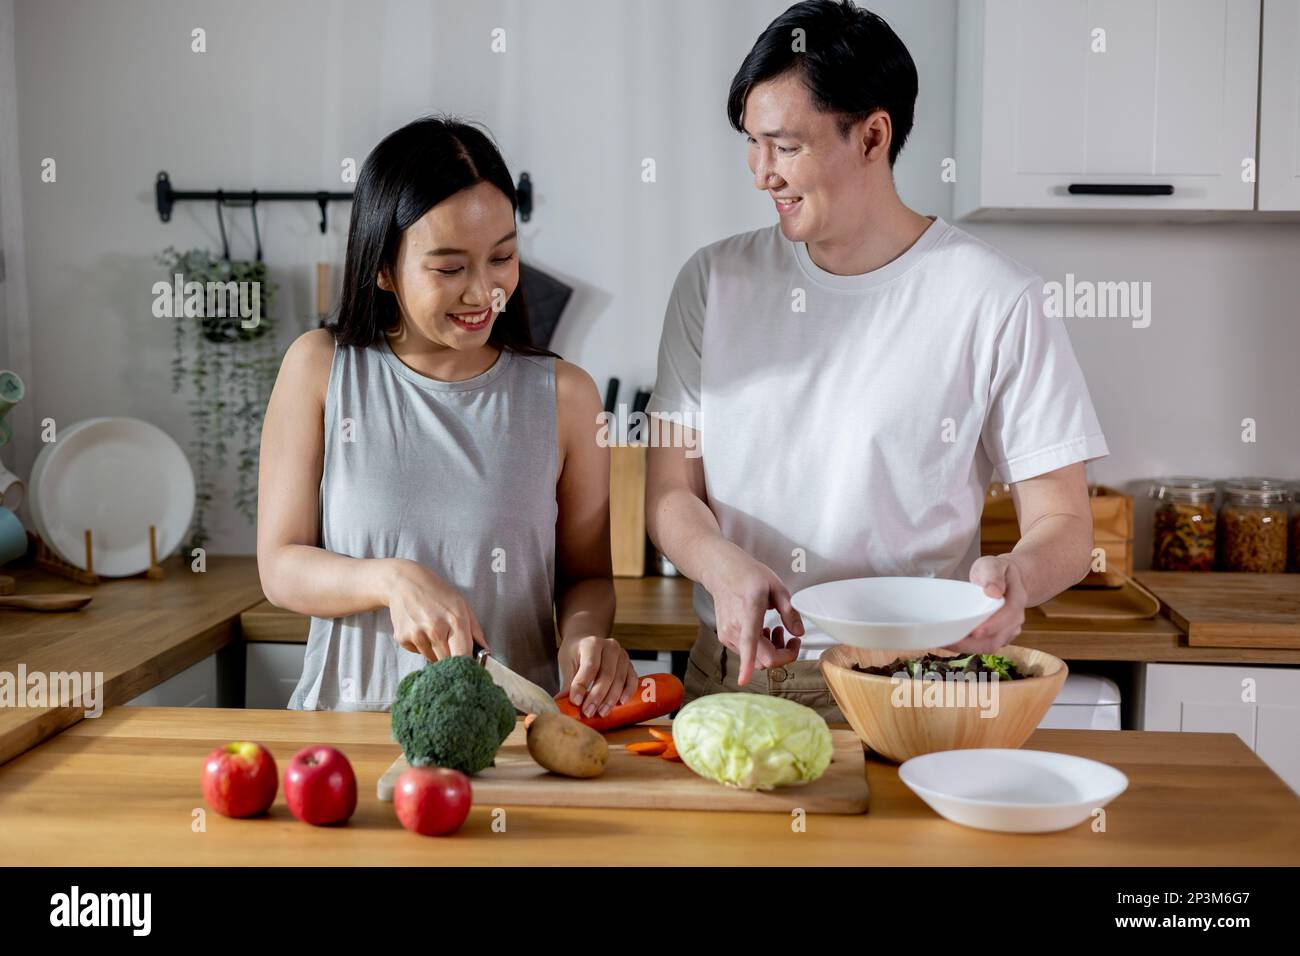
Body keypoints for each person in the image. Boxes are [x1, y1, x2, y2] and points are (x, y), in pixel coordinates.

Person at [645, 1, 1107, 722]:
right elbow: (670, 492)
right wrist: (720, 565)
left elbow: (1066, 523)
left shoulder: (999, 299)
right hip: (742, 677)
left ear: (872, 136)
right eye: (752, 144)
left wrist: (1017, 575)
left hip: (913, 684)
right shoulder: (712, 282)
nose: (762, 174)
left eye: (784, 147)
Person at [258, 117, 637, 716]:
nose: (484, 292)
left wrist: (584, 641)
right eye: (449, 268)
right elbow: (280, 566)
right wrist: (391, 580)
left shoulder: (566, 397)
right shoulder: (320, 369)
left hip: (512, 736)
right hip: (348, 733)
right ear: (383, 268)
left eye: (502, 257)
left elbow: (587, 578)